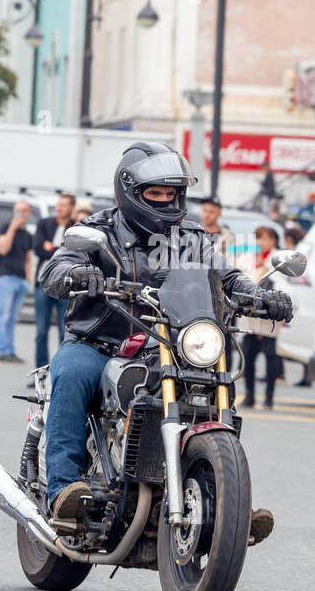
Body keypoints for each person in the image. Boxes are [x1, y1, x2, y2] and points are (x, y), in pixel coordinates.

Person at [38, 142, 292, 525]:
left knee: (213, 385)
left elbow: (227, 275)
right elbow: (53, 272)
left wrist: (258, 294)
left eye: (170, 193)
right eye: (154, 193)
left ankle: (225, 501)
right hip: (100, 344)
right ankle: (62, 491)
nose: (164, 201)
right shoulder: (94, 230)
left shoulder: (190, 235)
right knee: (72, 374)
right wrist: (77, 274)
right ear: (130, 192)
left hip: (167, 346)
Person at [240, 226, 287, 409]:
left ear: (274, 241)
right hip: (249, 313)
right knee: (248, 355)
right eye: (258, 238)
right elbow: (241, 279)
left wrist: (264, 267)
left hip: (270, 313)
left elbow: (282, 283)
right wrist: (257, 267)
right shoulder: (247, 257)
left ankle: (269, 397)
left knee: (270, 356)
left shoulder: (279, 258)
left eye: (266, 238)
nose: (262, 242)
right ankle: (249, 396)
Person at [32, 193, 76, 370]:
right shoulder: (44, 224)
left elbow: (73, 253)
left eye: (64, 205)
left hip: (66, 287)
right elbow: (37, 249)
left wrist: (50, 247)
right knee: (41, 331)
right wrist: (60, 250)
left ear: (71, 208)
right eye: (58, 205)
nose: (59, 208)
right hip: (42, 285)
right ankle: (41, 372)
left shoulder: (76, 228)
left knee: (63, 332)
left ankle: (58, 370)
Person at [0, 200, 36, 363]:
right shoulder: (6, 227)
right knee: (4, 315)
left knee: (13, 318)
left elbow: (27, 258)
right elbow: (3, 249)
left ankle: (10, 349)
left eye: (22, 211)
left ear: (28, 213)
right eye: (17, 210)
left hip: (20, 280)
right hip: (6, 277)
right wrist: (13, 227)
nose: (19, 214)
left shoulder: (27, 235)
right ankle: (4, 350)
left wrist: (27, 279)